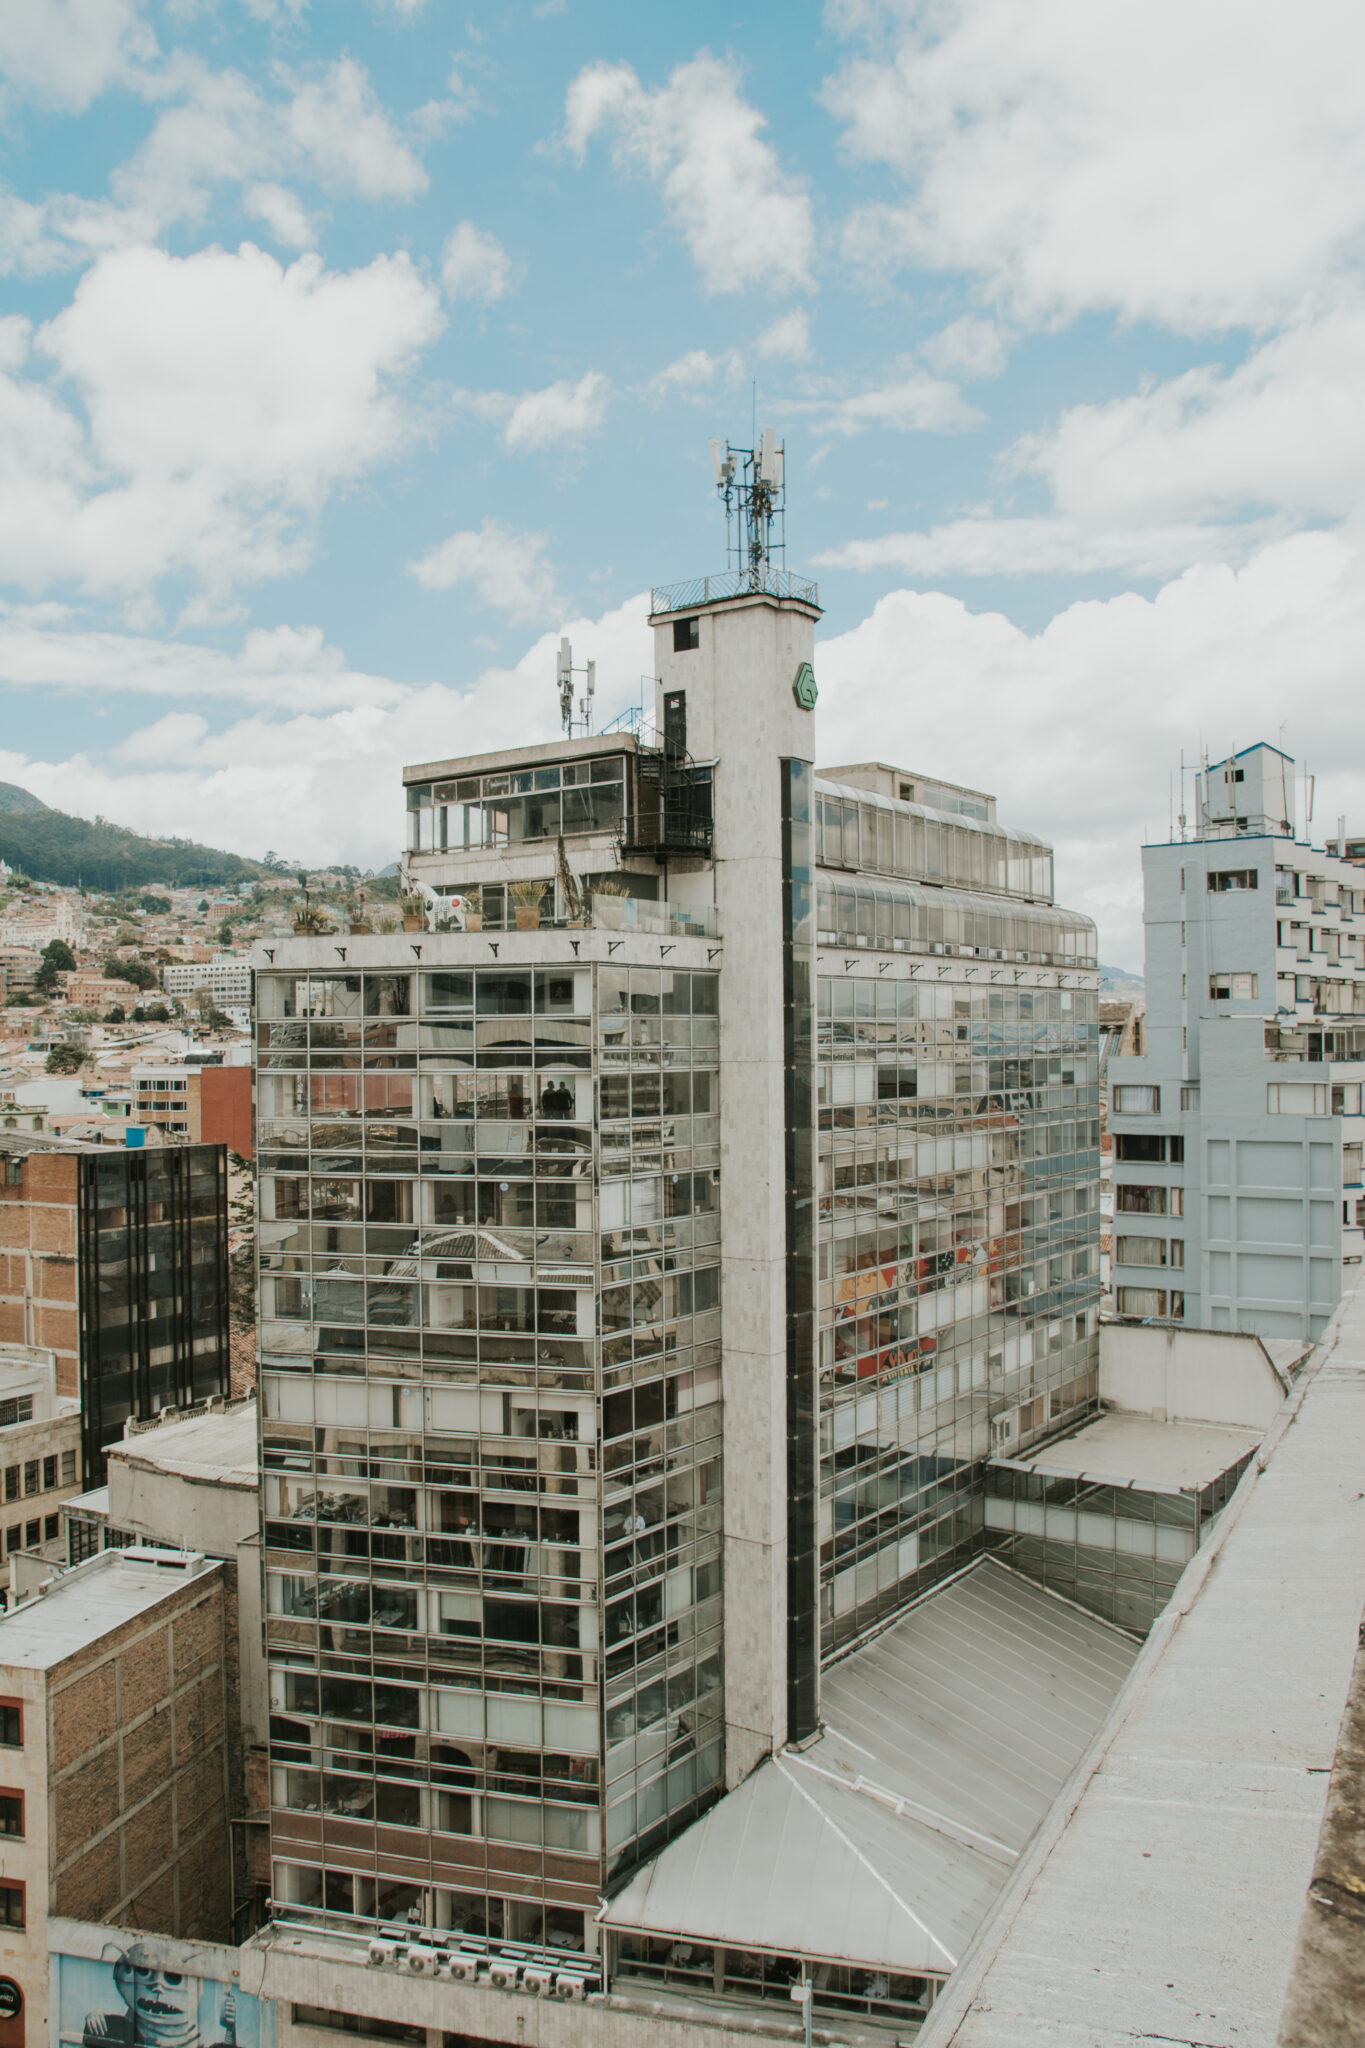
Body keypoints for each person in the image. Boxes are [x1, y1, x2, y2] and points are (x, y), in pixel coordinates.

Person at [81, 1940, 236, 2048]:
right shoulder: (122, 2028)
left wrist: (230, 2028)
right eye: (143, 1972)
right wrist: (95, 2020)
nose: (158, 1987)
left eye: (172, 1978)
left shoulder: (191, 2038)